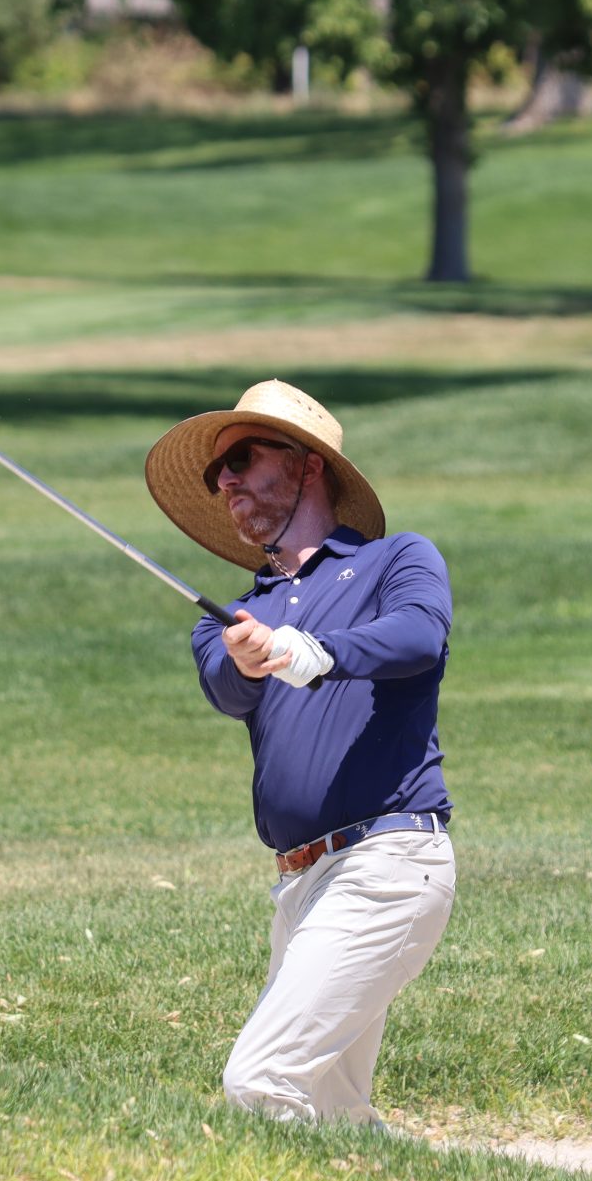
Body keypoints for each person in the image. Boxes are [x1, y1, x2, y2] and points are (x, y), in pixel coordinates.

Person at [144, 379, 455, 1127]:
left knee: (261, 1080)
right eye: (219, 473)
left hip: (387, 864)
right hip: (298, 887)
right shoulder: (234, 616)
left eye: (242, 458)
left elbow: (419, 636)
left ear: (307, 465)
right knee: (332, 1109)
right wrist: (253, 653)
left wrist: (316, 651)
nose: (225, 482)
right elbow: (228, 687)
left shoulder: (395, 561)